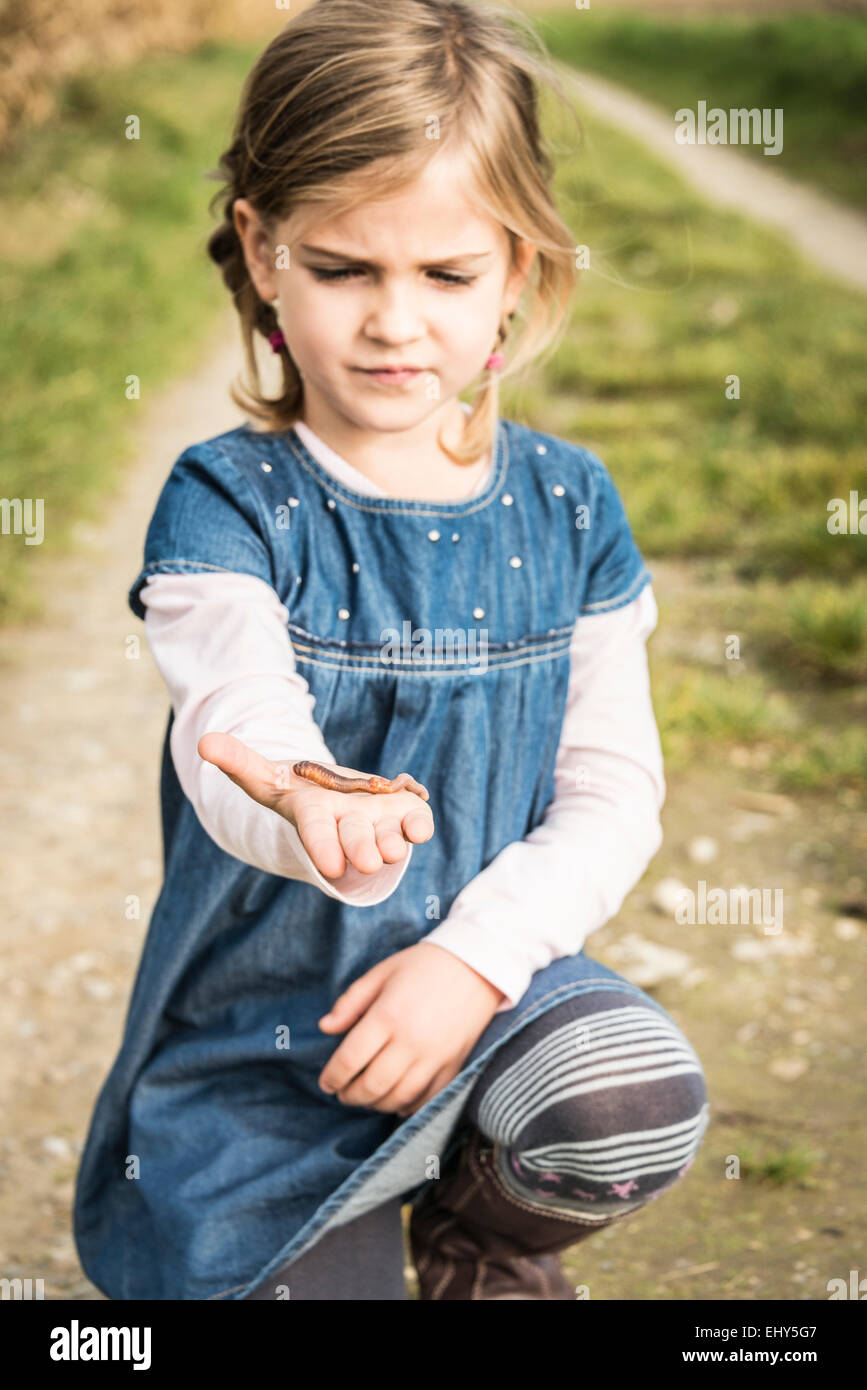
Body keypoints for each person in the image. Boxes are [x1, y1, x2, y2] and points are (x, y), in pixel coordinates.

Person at [74, 0, 709, 1301]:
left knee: (625, 1092)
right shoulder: (229, 501)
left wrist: (475, 961)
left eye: (447, 275)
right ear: (262, 252)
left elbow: (611, 792)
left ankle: (479, 1238)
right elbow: (234, 717)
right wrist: (305, 798)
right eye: (345, 268)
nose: (394, 324)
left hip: (490, 997)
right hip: (269, 1045)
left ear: (520, 269)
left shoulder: (574, 506)